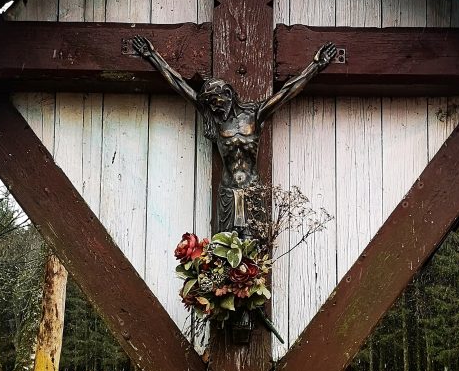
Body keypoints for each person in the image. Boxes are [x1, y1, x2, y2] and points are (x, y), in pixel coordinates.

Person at [128, 36, 338, 240]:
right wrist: (152, 56)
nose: (213, 106)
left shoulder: (254, 114)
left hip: (252, 189)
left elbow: (287, 92)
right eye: (209, 103)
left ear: (228, 94)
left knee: (254, 250)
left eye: (216, 100)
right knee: (225, 250)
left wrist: (316, 65)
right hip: (229, 191)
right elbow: (180, 85)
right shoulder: (216, 120)